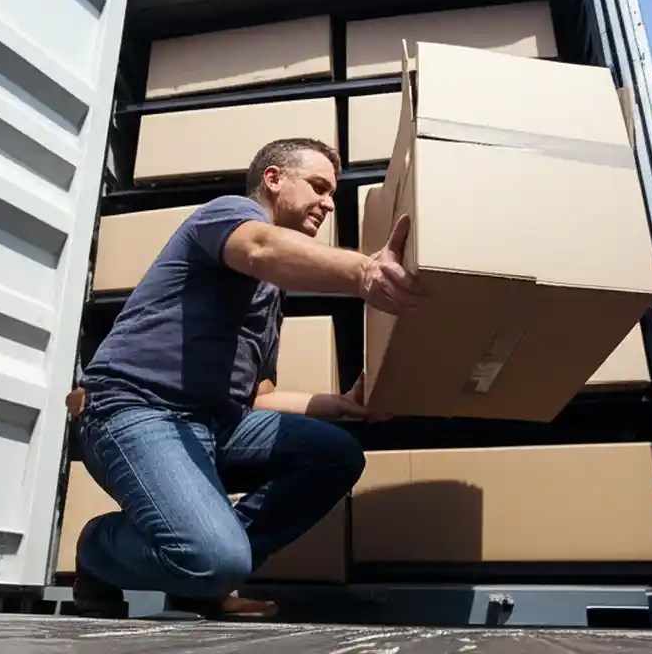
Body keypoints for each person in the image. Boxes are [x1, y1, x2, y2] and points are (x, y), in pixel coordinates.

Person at [70, 137, 426, 619]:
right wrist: (365, 271)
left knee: (334, 454)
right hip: (133, 409)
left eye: (333, 193)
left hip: (214, 425)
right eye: (318, 186)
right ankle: (101, 547)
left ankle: (201, 577)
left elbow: (261, 398)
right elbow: (260, 248)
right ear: (274, 179)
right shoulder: (229, 214)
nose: (328, 203)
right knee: (215, 559)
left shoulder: (271, 292)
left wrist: (344, 404)